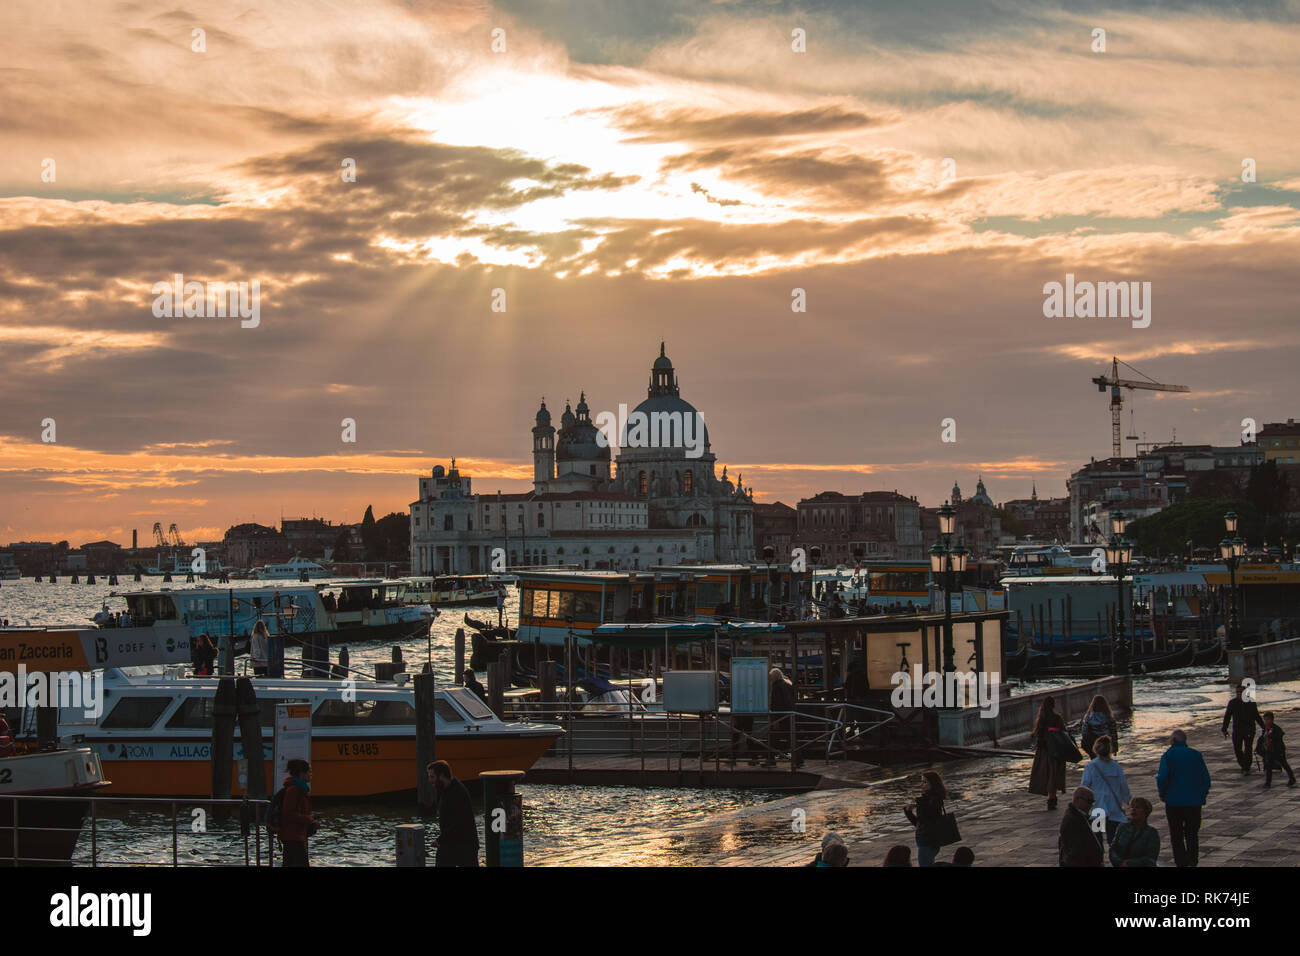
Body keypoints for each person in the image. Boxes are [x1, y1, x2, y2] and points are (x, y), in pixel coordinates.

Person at [1156, 729, 1211, 867]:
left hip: (1174, 802)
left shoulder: (1168, 755)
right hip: (1194, 801)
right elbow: (1206, 778)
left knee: (1176, 835)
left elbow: (1162, 777)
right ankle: (1193, 860)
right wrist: (1202, 793)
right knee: (1192, 833)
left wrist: (1162, 793)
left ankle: (1181, 862)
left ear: (1173, 741)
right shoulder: (1196, 755)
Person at [1080, 735, 1130, 848]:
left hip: (1097, 809)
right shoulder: (1116, 767)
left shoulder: (1090, 767)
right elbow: (1124, 788)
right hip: (1114, 809)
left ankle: (1099, 861)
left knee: (1096, 841)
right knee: (1114, 841)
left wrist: (1081, 807)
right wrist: (1129, 802)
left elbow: (1084, 787)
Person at [427, 760, 479, 867]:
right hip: (451, 843)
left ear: (441, 775)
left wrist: (440, 840)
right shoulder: (443, 790)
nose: (430, 780)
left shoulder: (458, 792)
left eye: (432, 777)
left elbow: (459, 822)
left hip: (465, 845)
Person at [1028, 695, 1068, 810]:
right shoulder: (1057, 718)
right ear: (1053, 705)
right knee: (1054, 775)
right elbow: (1063, 732)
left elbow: (1037, 735)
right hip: (1055, 751)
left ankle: (1051, 798)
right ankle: (1052, 798)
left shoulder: (1041, 719)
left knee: (1045, 774)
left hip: (1043, 752)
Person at [903, 770, 949, 867]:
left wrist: (919, 804)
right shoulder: (927, 800)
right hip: (926, 840)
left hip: (928, 841)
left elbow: (927, 819)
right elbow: (919, 824)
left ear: (933, 783)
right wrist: (908, 811)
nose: (922, 785)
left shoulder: (933, 800)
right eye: (922, 782)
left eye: (925, 782)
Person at [278, 759, 317, 867]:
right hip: (293, 836)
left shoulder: (299, 788)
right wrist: (308, 819)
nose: (311, 774)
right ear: (302, 773)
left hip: (296, 835)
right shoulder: (295, 790)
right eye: (309, 771)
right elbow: (288, 814)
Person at [1222, 683, 1265, 774]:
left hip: (1249, 729)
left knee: (1248, 748)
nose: (1238, 694)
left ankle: (1246, 767)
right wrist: (1224, 728)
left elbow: (1256, 716)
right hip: (1237, 730)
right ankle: (1243, 765)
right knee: (1237, 749)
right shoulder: (1232, 703)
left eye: (1240, 692)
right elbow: (1227, 716)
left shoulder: (1251, 702)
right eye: (1237, 692)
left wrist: (1264, 727)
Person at [1109, 797, 1160, 867]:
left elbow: (1151, 858)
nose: (1134, 809)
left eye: (1138, 807)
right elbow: (1113, 849)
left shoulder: (1152, 832)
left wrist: (1130, 863)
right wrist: (1119, 862)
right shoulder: (1122, 827)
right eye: (1132, 807)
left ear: (1146, 811)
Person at [1058, 786, 1103, 867]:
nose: (1091, 805)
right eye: (1089, 801)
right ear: (1078, 800)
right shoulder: (1072, 820)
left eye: (1093, 802)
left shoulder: (1078, 816)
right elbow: (1076, 852)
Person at [765, 667, 800, 768]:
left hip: (779, 718)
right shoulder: (787, 685)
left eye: (771, 677)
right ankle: (799, 760)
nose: (770, 679)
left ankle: (771, 760)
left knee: (772, 739)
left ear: (775, 677)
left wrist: (775, 719)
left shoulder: (776, 687)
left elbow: (777, 704)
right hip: (788, 716)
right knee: (791, 739)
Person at [1257, 711, 1296, 788]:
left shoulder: (1276, 728)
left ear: (1272, 720)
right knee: (1268, 766)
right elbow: (1262, 739)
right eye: (1265, 720)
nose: (1266, 721)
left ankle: (1292, 778)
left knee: (1284, 764)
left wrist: (1271, 737)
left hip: (1278, 751)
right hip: (1269, 750)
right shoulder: (1265, 729)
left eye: (1268, 720)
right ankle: (1268, 783)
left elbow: (1279, 736)